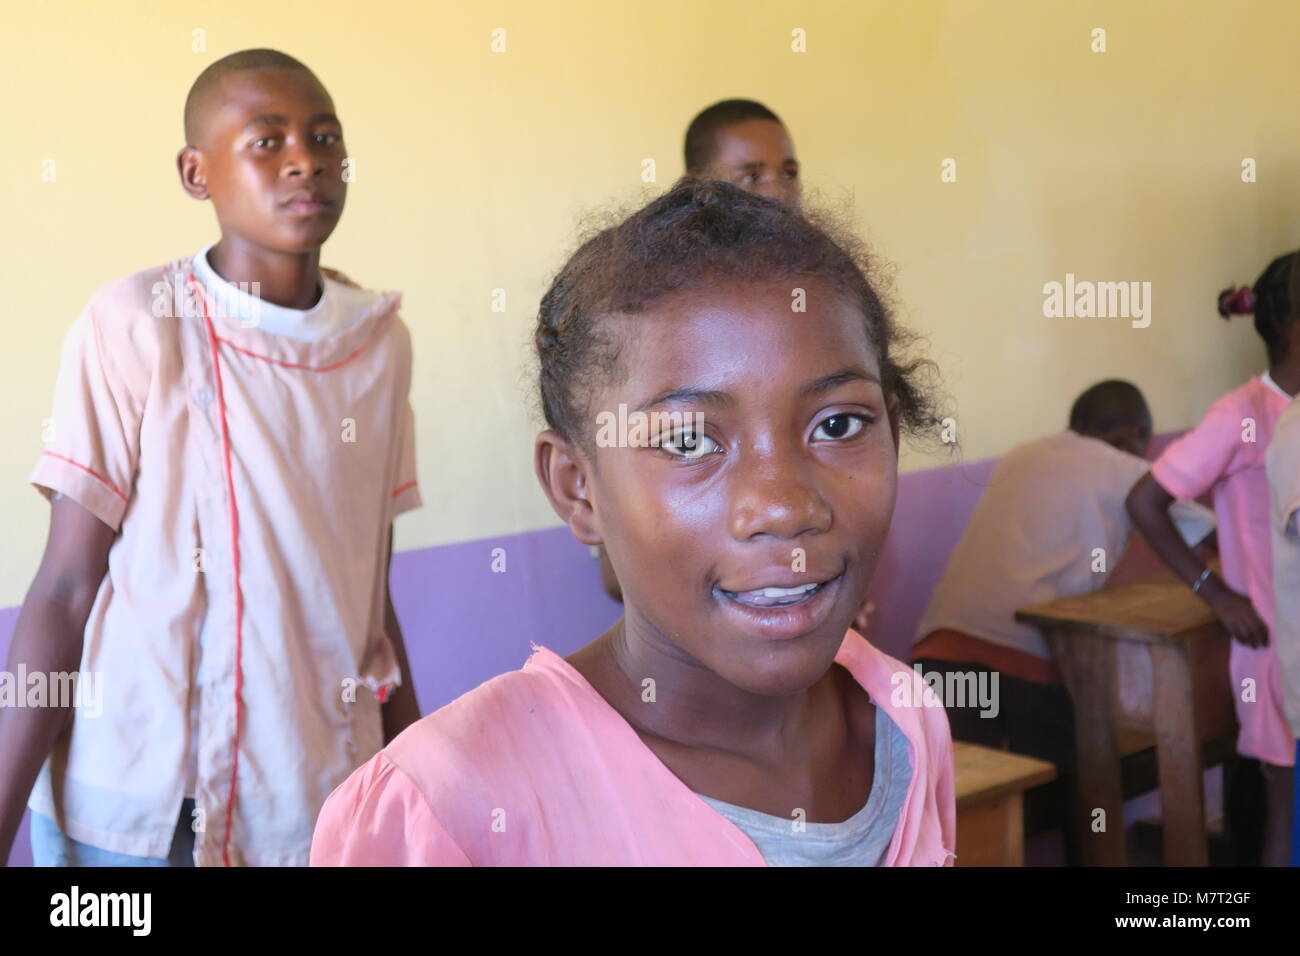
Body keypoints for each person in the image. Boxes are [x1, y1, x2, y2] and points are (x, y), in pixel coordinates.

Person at [311, 179, 954, 866]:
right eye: (687, 441)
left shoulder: (903, 717)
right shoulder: (447, 805)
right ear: (578, 489)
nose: (784, 506)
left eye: (838, 424)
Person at [0, 49, 422, 867]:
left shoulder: (378, 345)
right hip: (138, 800)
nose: (306, 158)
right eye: (267, 141)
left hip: (313, 786)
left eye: (325, 137)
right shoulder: (135, 324)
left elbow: (370, 594)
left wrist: (413, 770)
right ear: (197, 173)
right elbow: (63, 586)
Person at [1128, 251, 1300, 866]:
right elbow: (1146, 502)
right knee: (1288, 814)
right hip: (1276, 649)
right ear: (1291, 328)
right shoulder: (1243, 415)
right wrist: (1216, 592)